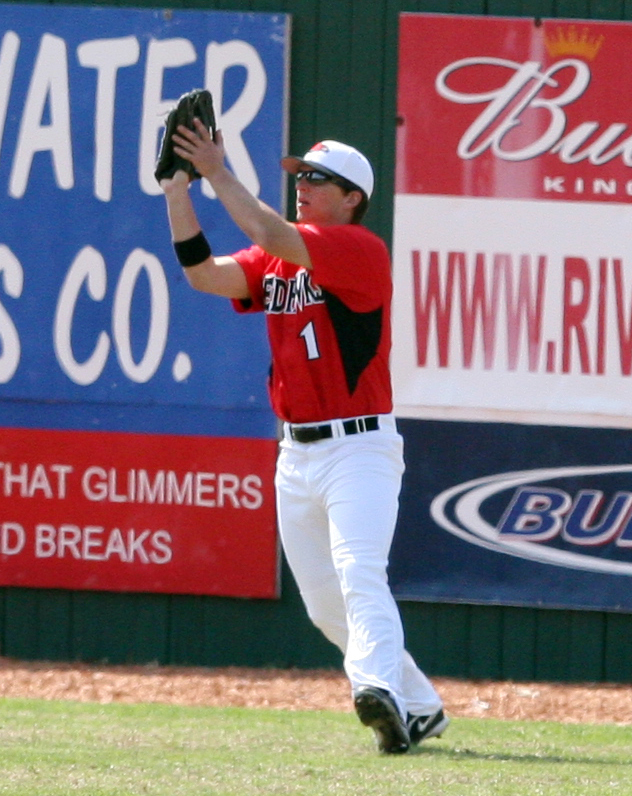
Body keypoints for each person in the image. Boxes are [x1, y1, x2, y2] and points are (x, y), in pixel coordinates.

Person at [159, 119, 448, 754]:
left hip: (359, 448)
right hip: (297, 453)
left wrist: (215, 169)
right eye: (299, 176)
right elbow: (206, 276)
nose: (304, 185)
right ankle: (420, 704)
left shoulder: (359, 250)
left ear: (352, 199)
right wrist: (177, 193)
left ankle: (376, 691)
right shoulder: (279, 261)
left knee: (359, 572)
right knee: (324, 606)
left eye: (318, 179)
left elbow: (266, 230)